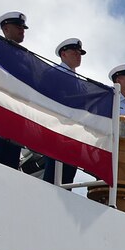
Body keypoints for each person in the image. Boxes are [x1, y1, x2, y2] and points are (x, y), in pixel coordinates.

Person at [0, 11, 28, 168]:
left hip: (16, 116)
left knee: (11, 165)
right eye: (18, 27)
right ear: (6, 29)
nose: (22, 30)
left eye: (23, 27)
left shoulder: (26, 58)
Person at [44, 36, 87, 185]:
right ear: (63, 54)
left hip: (74, 134)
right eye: (74, 52)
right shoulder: (52, 74)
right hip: (56, 129)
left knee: (68, 175)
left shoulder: (81, 83)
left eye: (80, 53)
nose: (78, 55)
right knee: (53, 171)